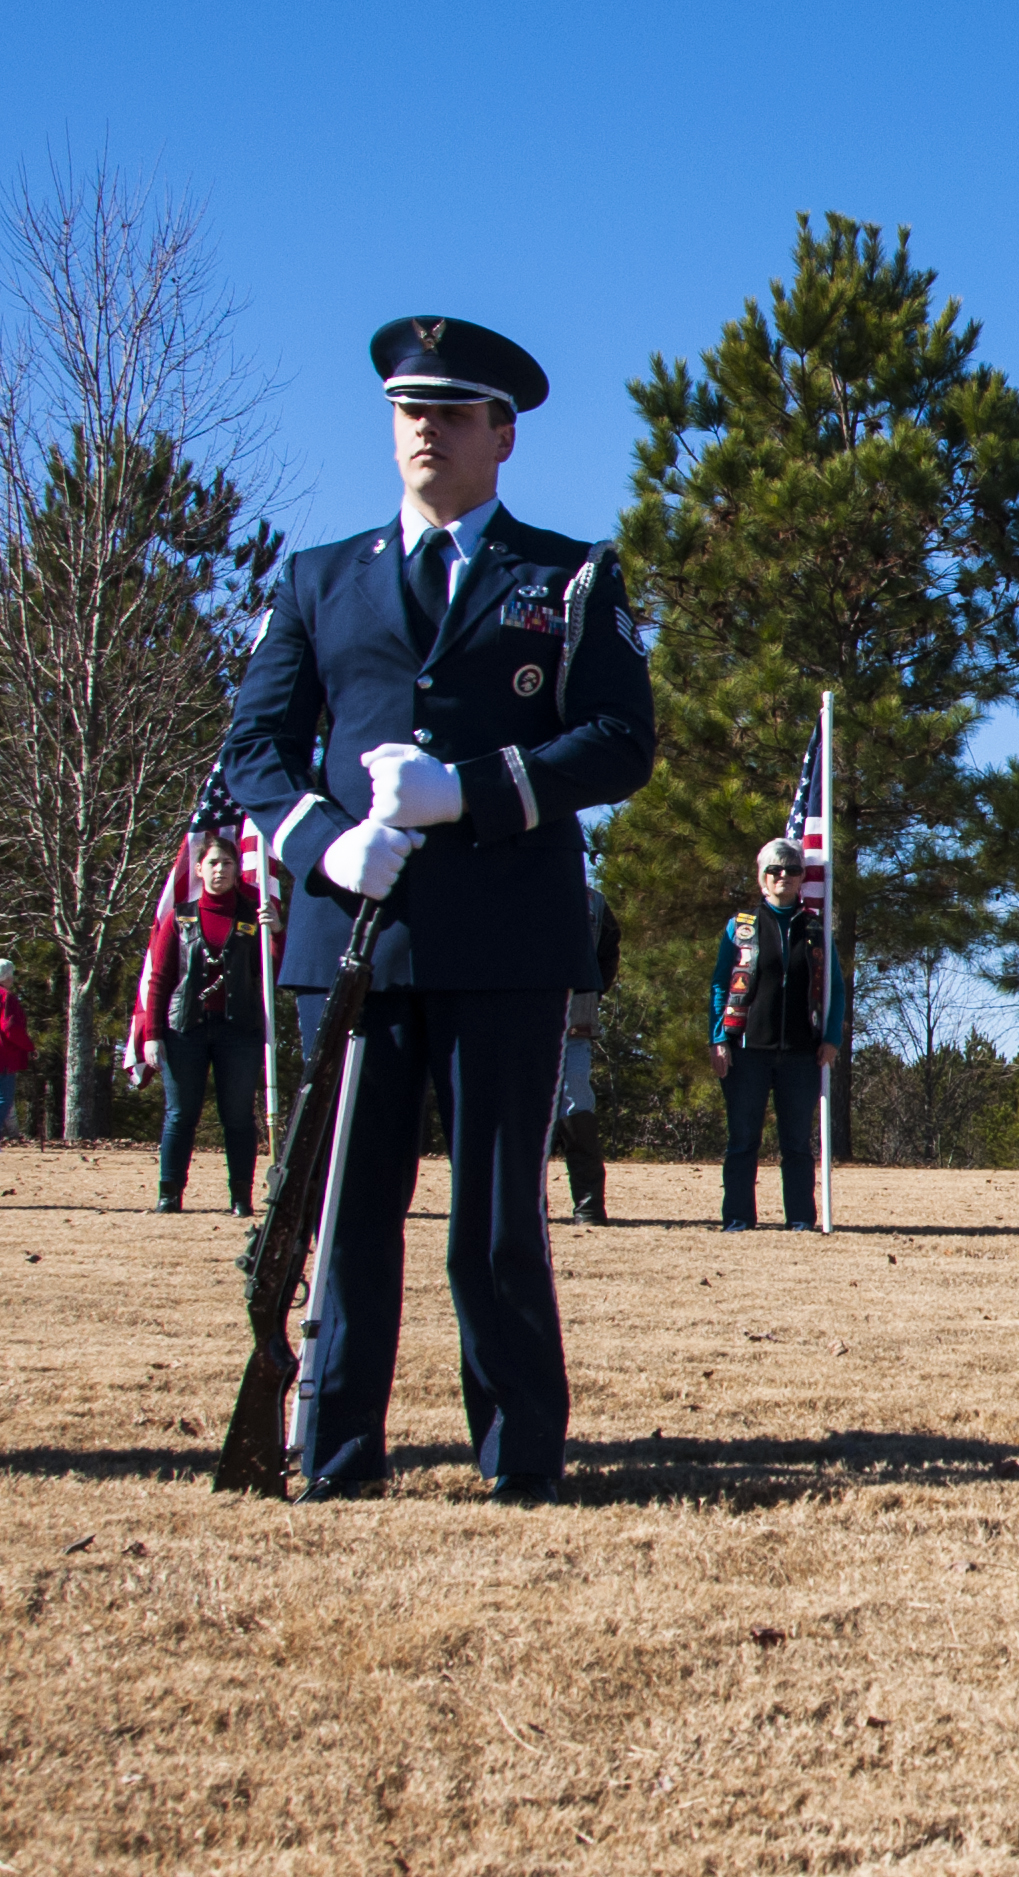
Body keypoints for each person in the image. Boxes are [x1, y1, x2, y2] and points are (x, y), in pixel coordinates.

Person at [222, 315, 656, 1504]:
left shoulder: (568, 576)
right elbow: (254, 749)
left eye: (453, 412)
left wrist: (467, 793)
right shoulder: (317, 578)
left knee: (495, 1214)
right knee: (350, 1207)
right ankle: (338, 1450)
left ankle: (520, 1452)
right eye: (409, 410)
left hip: (507, 936)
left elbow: (621, 742)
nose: (426, 430)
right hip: (356, 936)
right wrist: (323, 843)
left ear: (503, 434)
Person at [710, 838, 848, 1231]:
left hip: (802, 1052)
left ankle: (801, 1218)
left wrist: (832, 1038)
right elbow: (721, 985)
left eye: (790, 869)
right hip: (746, 1049)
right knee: (742, 1140)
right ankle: (738, 1216)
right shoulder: (740, 927)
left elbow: (835, 987)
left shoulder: (816, 929)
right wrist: (717, 1038)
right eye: (774, 870)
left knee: (796, 1145)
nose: (782, 876)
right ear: (761, 878)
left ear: (803, 877)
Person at [139, 841, 275, 1214]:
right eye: (213, 863)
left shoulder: (253, 917)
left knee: (237, 1115)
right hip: (184, 1029)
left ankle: (240, 1197)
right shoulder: (179, 918)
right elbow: (160, 979)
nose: (220, 870)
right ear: (199, 869)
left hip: (239, 1031)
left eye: (227, 863)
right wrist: (152, 1034)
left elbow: (271, 974)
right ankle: (169, 1194)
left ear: (236, 869)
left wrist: (275, 932)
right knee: (181, 1113)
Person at [551, 885, 619, 1225]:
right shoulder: (511, 887)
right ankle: (525, 1207)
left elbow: (608, 955)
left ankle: (589, 1207)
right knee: (525, 1112)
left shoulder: (595, 903)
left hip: (575, 1024)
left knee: (578, 1104)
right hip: (520, 1025)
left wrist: (590, 995)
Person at [0, 960, 28, 1139]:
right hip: (4, 1055)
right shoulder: (6, 997)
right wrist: (28, 1046)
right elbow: (11, 1028)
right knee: (4, 1098)